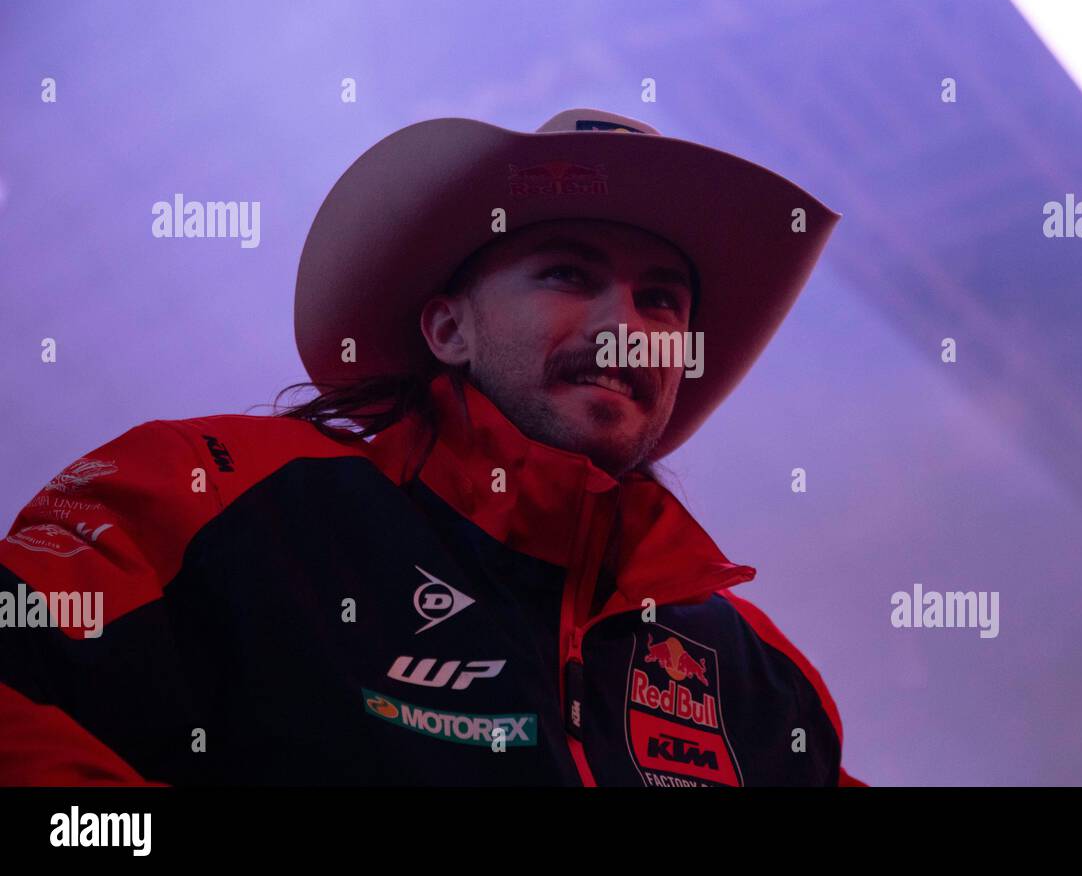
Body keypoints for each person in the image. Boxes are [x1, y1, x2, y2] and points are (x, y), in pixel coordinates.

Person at [0, 108, 865, 786]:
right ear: (447, 327)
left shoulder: (752, 669)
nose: (626, 330)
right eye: (569, 274)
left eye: (663, 302)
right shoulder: (208, 495)